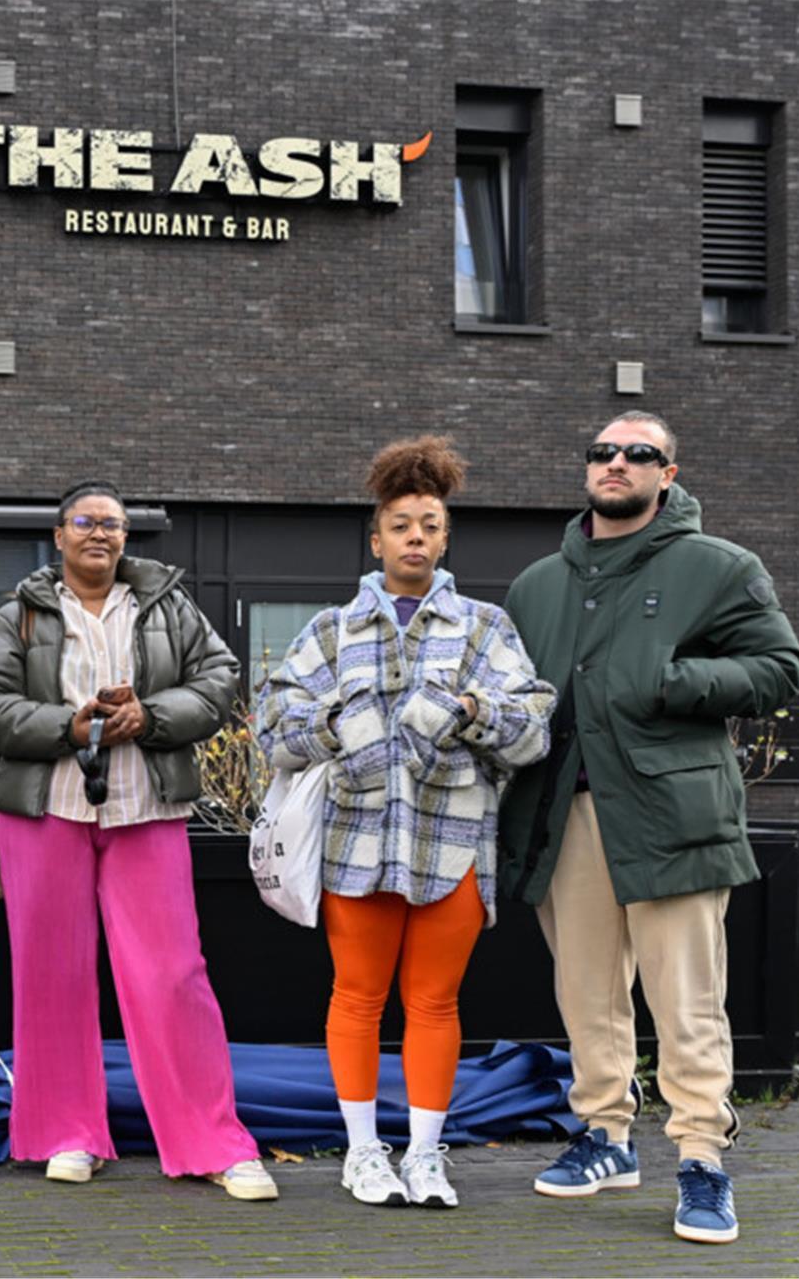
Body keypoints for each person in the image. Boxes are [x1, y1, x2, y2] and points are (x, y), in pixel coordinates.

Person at [499, 411, 799, 1245]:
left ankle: (703, 1157)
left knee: (686, 997)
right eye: (603, 451)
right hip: (566, 813)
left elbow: (780, 669)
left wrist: (671, 681)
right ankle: (603, 1136)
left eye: (640, 453)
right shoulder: (535, 586)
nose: (617, 462)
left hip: (674, 813)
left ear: (669, 473)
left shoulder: (719, 567)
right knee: (586, 991)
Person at [258, 436, 555, 1209]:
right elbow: (273, 726)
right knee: (355, 997)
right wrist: (334, 726)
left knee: (435, 1002)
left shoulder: (484, 629)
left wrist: (469, 709)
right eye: (401, 524)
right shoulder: (331, 631)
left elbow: (533, 730)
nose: (415, 537)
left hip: (451, 843)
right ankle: (363, 1152)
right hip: (355, 844)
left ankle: (426, 1155)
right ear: (376, 538)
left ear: (447, 535)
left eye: (429, 523)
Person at [0, 480, 278, 1201]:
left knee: (172, 975)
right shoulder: (22, 614)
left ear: (127, 538)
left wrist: (153, 714)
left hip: (147, 809)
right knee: (51, 976)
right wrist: (66, 727)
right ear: (59, 535)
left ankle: (213, 1142)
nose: (100, 533)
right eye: (85, 520)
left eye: (114, 523)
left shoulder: (167, 604)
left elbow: (220, 678)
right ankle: (65, 1133)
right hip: (45, 812)